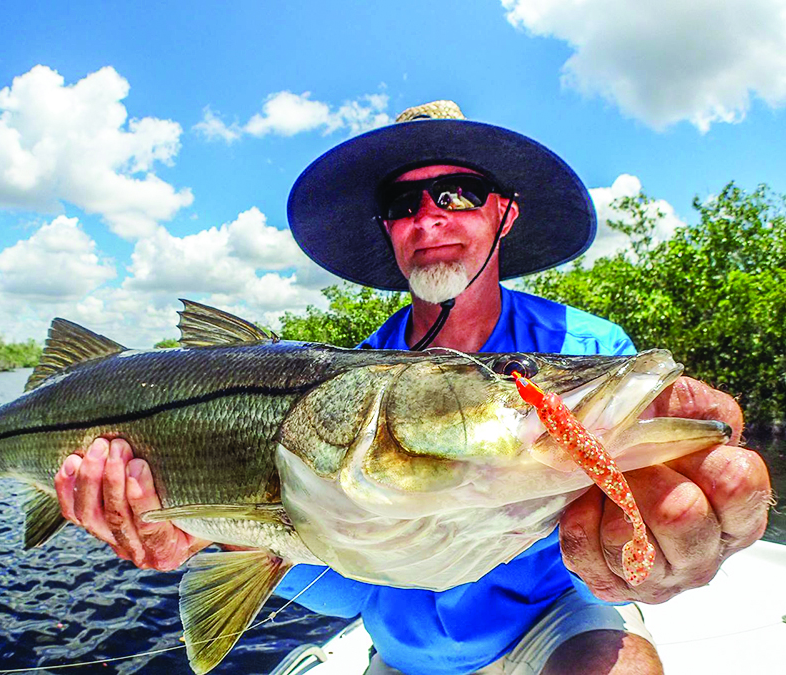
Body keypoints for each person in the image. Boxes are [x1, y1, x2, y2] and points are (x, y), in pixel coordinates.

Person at [53, 101, 771, 674]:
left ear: (504, 213)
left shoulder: (590, 351)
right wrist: (203, 539)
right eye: (403, 202)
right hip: (402, 652)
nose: (429, 219)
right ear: (390, 230)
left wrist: (672, 528)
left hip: (558, 626)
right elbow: (338, 581)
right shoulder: (352, 382)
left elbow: (677, 466)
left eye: (459, 193)